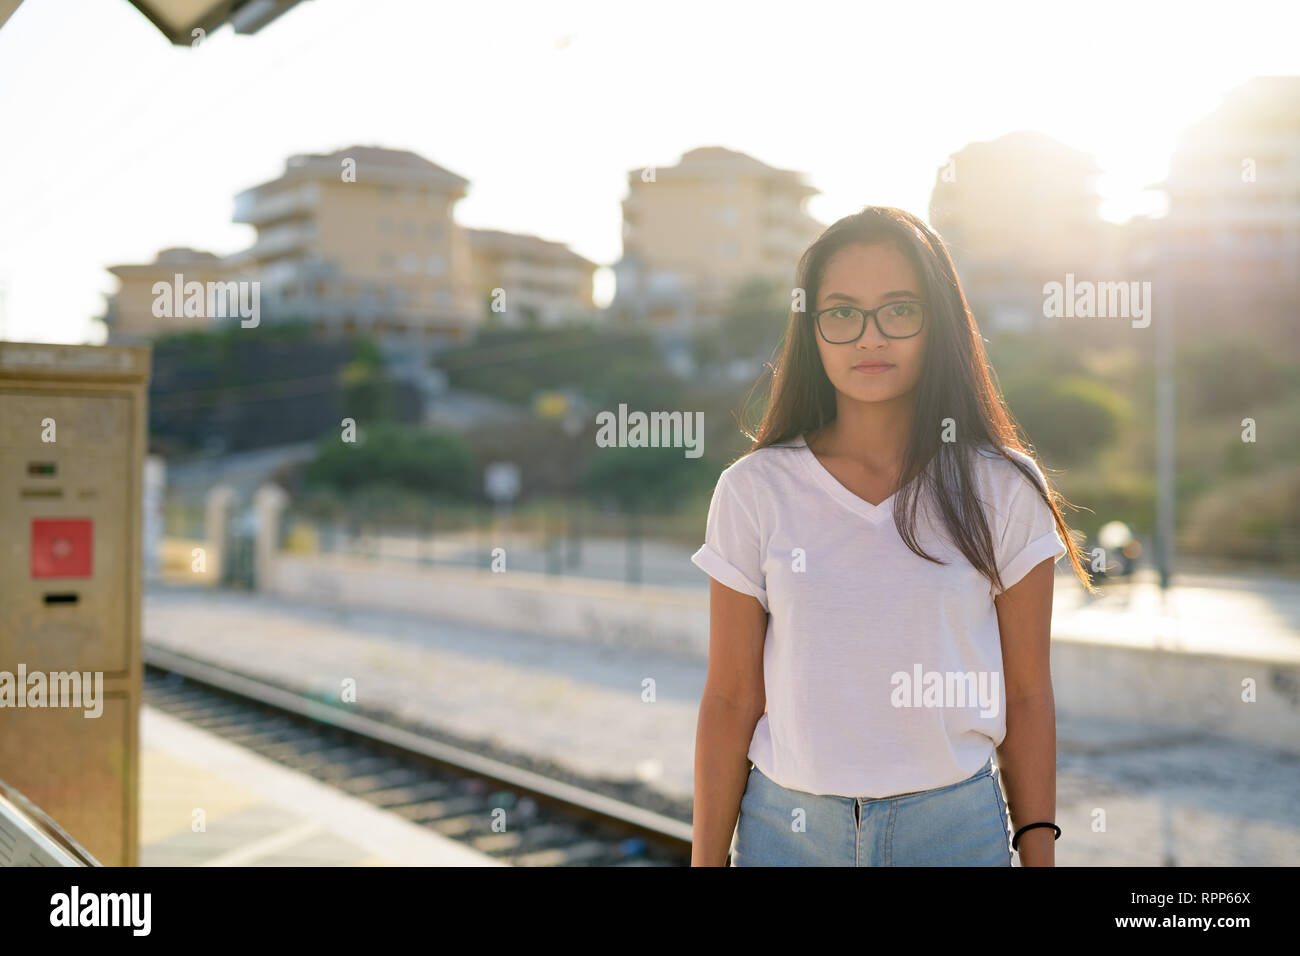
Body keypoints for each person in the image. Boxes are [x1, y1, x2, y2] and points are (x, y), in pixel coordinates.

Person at [689, 206, 1095, 867]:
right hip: (787, 835)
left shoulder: (1002, 486)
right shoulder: (753, 490)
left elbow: (1025, 694)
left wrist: (1039, 854)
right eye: (842, 313)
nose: (869, 337)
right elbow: (731, 696)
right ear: (812, 330)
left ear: (937, 324)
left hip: (954, 832)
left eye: (899, 310)